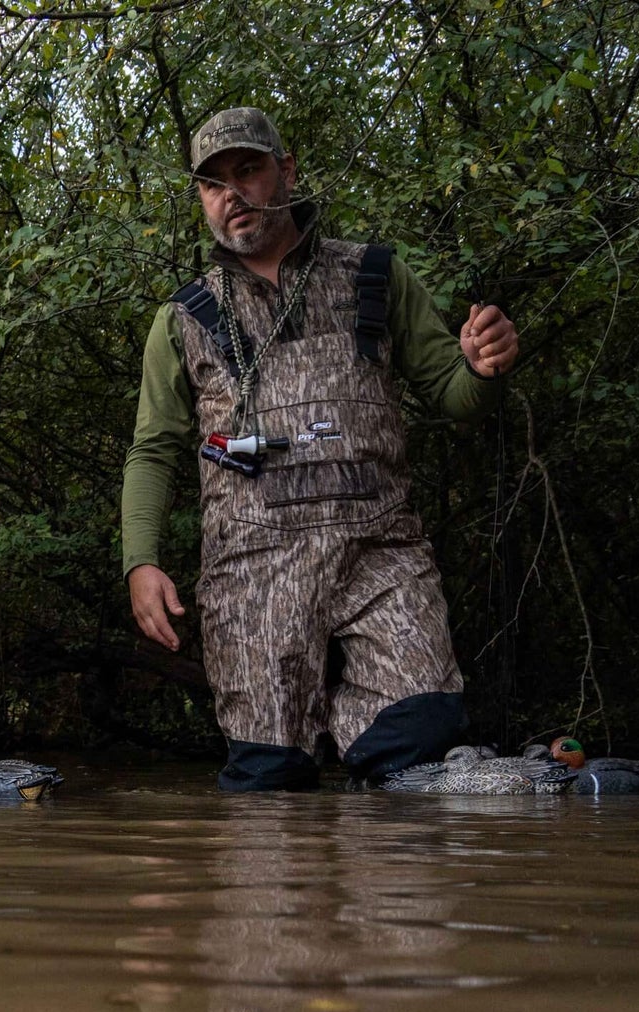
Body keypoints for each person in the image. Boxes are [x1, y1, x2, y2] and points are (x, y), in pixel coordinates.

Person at [121, 107, 520, 790]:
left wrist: (486, 369)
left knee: (419, 755)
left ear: (287, 171)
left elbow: (455, 397)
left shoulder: (375, 275)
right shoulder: (182, 319)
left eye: (248, 170)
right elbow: (153, 449)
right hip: (251, 575)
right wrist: (141, 562)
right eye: (213, 183)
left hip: (381, 558)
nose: (233, 193)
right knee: (269, 788)